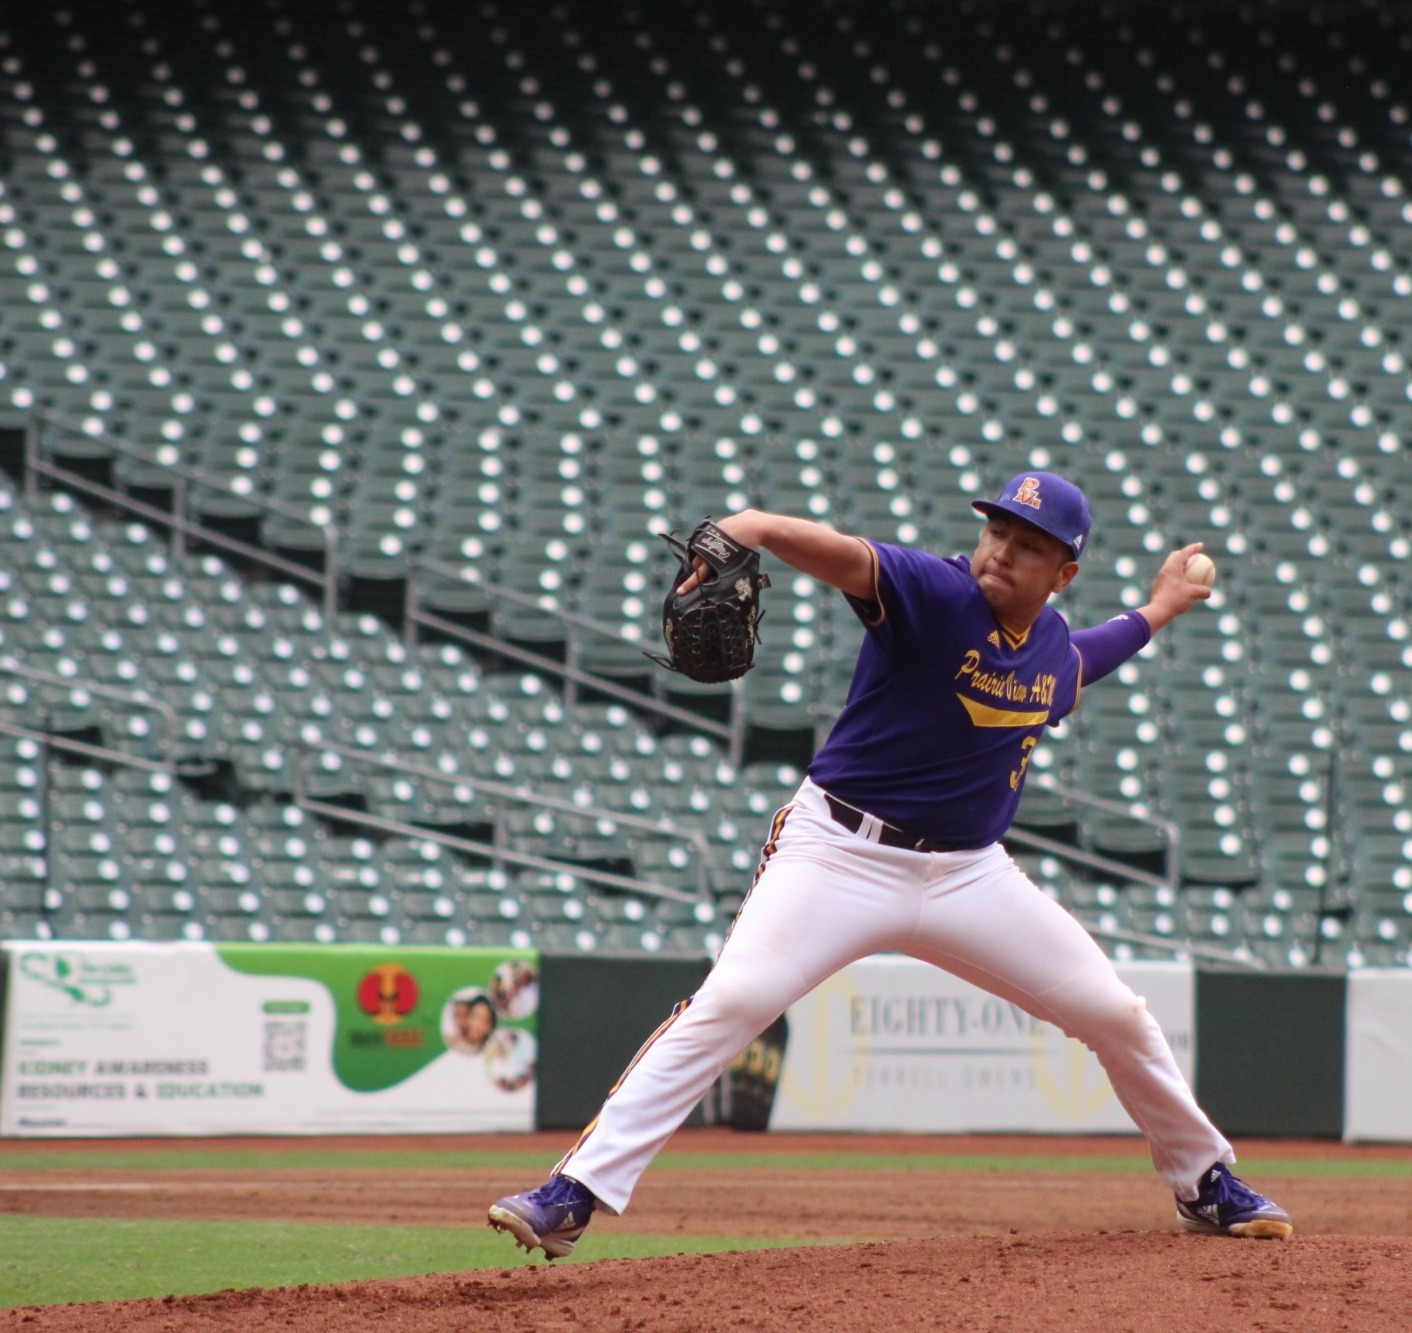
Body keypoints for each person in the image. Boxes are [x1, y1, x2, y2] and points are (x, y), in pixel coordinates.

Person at [488, 471, 1292, 1257]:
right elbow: (843, 555)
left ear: (1063, 572)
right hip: (839, 852)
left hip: (970, 875)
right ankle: (574, 1192)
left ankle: (1203, 1180)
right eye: (997, 531)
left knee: (1118, 1015)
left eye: (1028, 545)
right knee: (731, 999)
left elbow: (1086, 658)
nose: (1001, 552)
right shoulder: (934, 593)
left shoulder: (1047, 647)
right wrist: (755, 527)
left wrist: (1160, 608)